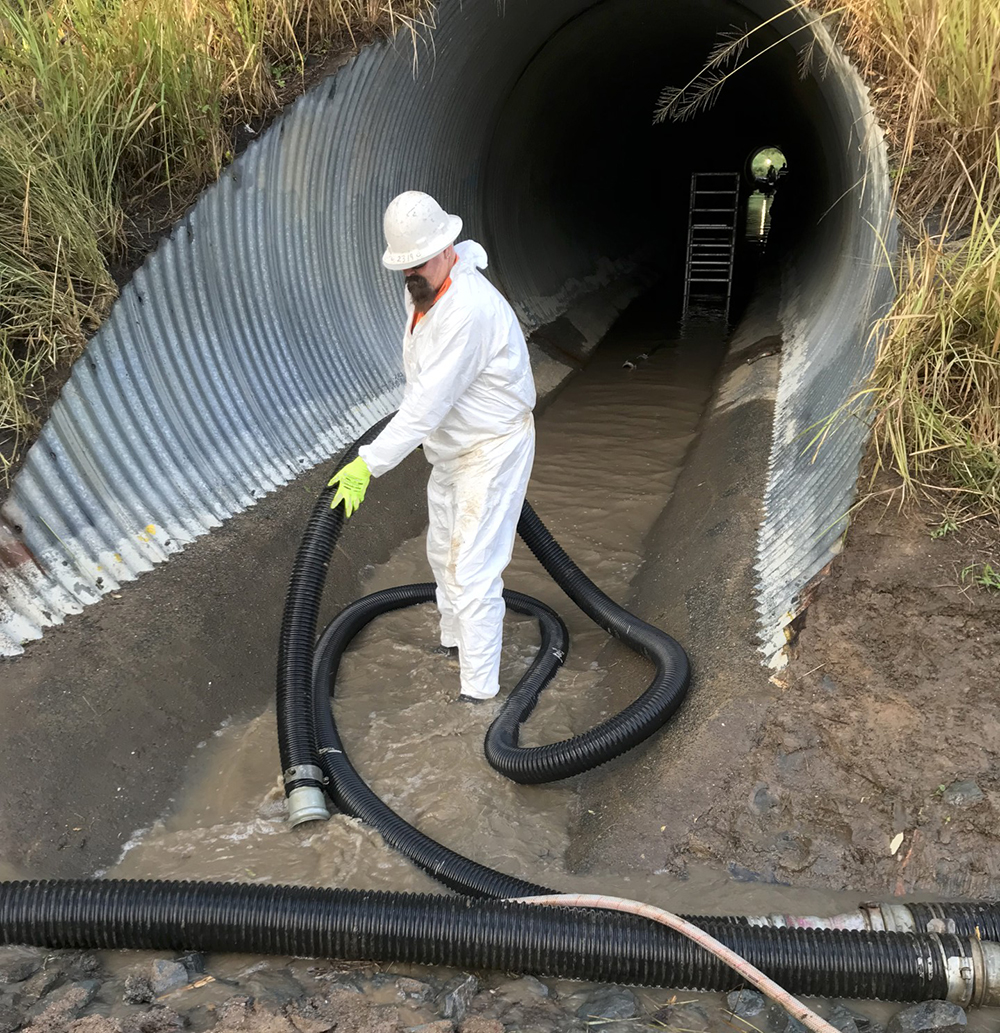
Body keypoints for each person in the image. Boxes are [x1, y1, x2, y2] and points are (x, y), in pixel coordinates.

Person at [327, 191, 536, 703]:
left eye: (418, 262)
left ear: (447, 248)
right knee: (443, 554)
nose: (411, 273)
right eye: (404, 266)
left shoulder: (467, 309)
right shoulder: (423, 291)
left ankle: (479, 696)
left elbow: (425, 407)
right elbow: (421, 388)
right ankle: (454, 647)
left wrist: (367, 463)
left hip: (491, 447)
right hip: (451, 447)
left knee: (472, 570)